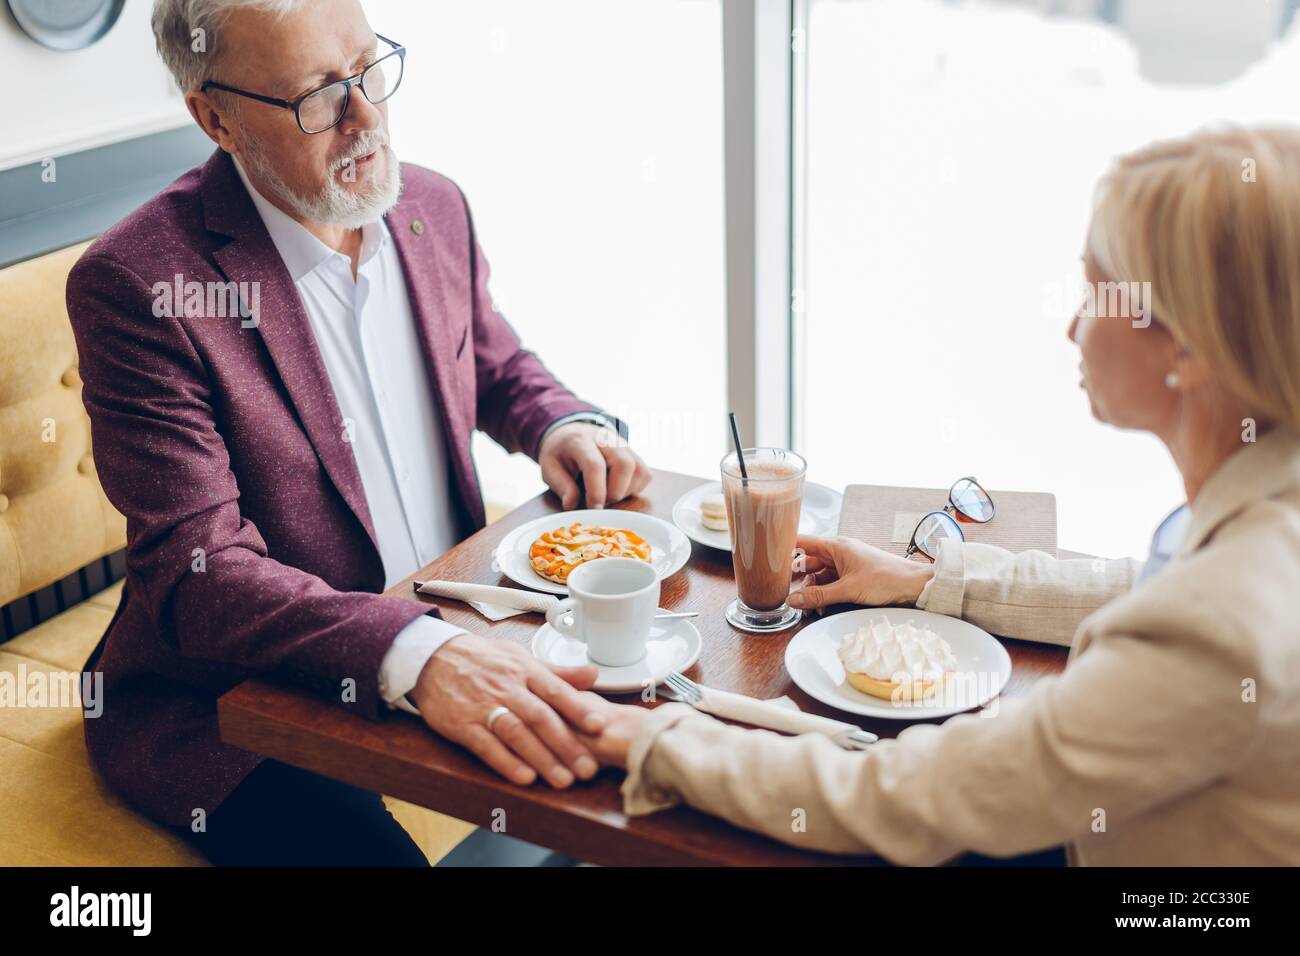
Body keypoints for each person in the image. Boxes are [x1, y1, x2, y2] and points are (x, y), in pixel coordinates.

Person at [576, 126, 1300, 866]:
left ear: (1188, 344)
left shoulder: (1226, 617)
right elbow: (1139, 590)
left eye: (1097, 291)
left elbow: (920, 795)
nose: (1073, 325)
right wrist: (926, 579)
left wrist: (660, 741)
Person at [67, 0, 651, 864]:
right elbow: (201, 573)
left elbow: (488, 357)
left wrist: (559, 422)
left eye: (371, 68)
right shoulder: (143, 284)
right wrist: (416, 651)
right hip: (236, 691)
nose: (367, 116)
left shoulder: (434, 205)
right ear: (214, 117)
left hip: (467, 610)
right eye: (317, 96)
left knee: (652, 790)